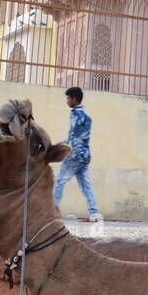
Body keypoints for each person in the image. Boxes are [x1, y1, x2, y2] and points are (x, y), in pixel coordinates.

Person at [52, 86, 101, 223]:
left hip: (74, 155)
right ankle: (94, 213)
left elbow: (73, 137)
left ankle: (51, 212)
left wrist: (58, 147)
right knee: (86, 185)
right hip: (85, 155)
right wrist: (60, 144)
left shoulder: (75, 114)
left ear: (74, 99)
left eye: (68, 98)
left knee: (60, 181)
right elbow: (80, 136)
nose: (67, 101)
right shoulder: (87, 115)